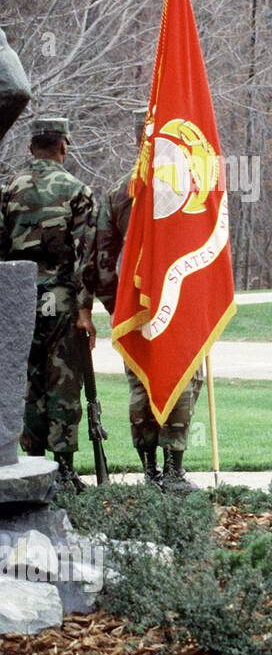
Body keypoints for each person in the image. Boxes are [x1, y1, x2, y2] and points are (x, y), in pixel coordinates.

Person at [91, 108, 202, 494]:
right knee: (183, 380)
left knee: (142, 385)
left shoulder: (118, 191)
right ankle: (173, 471)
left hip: (138, 309)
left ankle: (150, 471)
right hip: (180, 306)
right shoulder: (190, 186)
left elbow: (101, 263)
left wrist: (116, 307)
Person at [0, 117, 95, 492]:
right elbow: (85, 255)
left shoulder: (10, 190)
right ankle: (65, 469)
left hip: (19, 298)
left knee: (28, 382)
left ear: (30, 148)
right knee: (63, 381)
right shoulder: (77, 190)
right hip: (61, 297)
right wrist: (85, 309)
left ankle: (31, 462)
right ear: (63, 147)